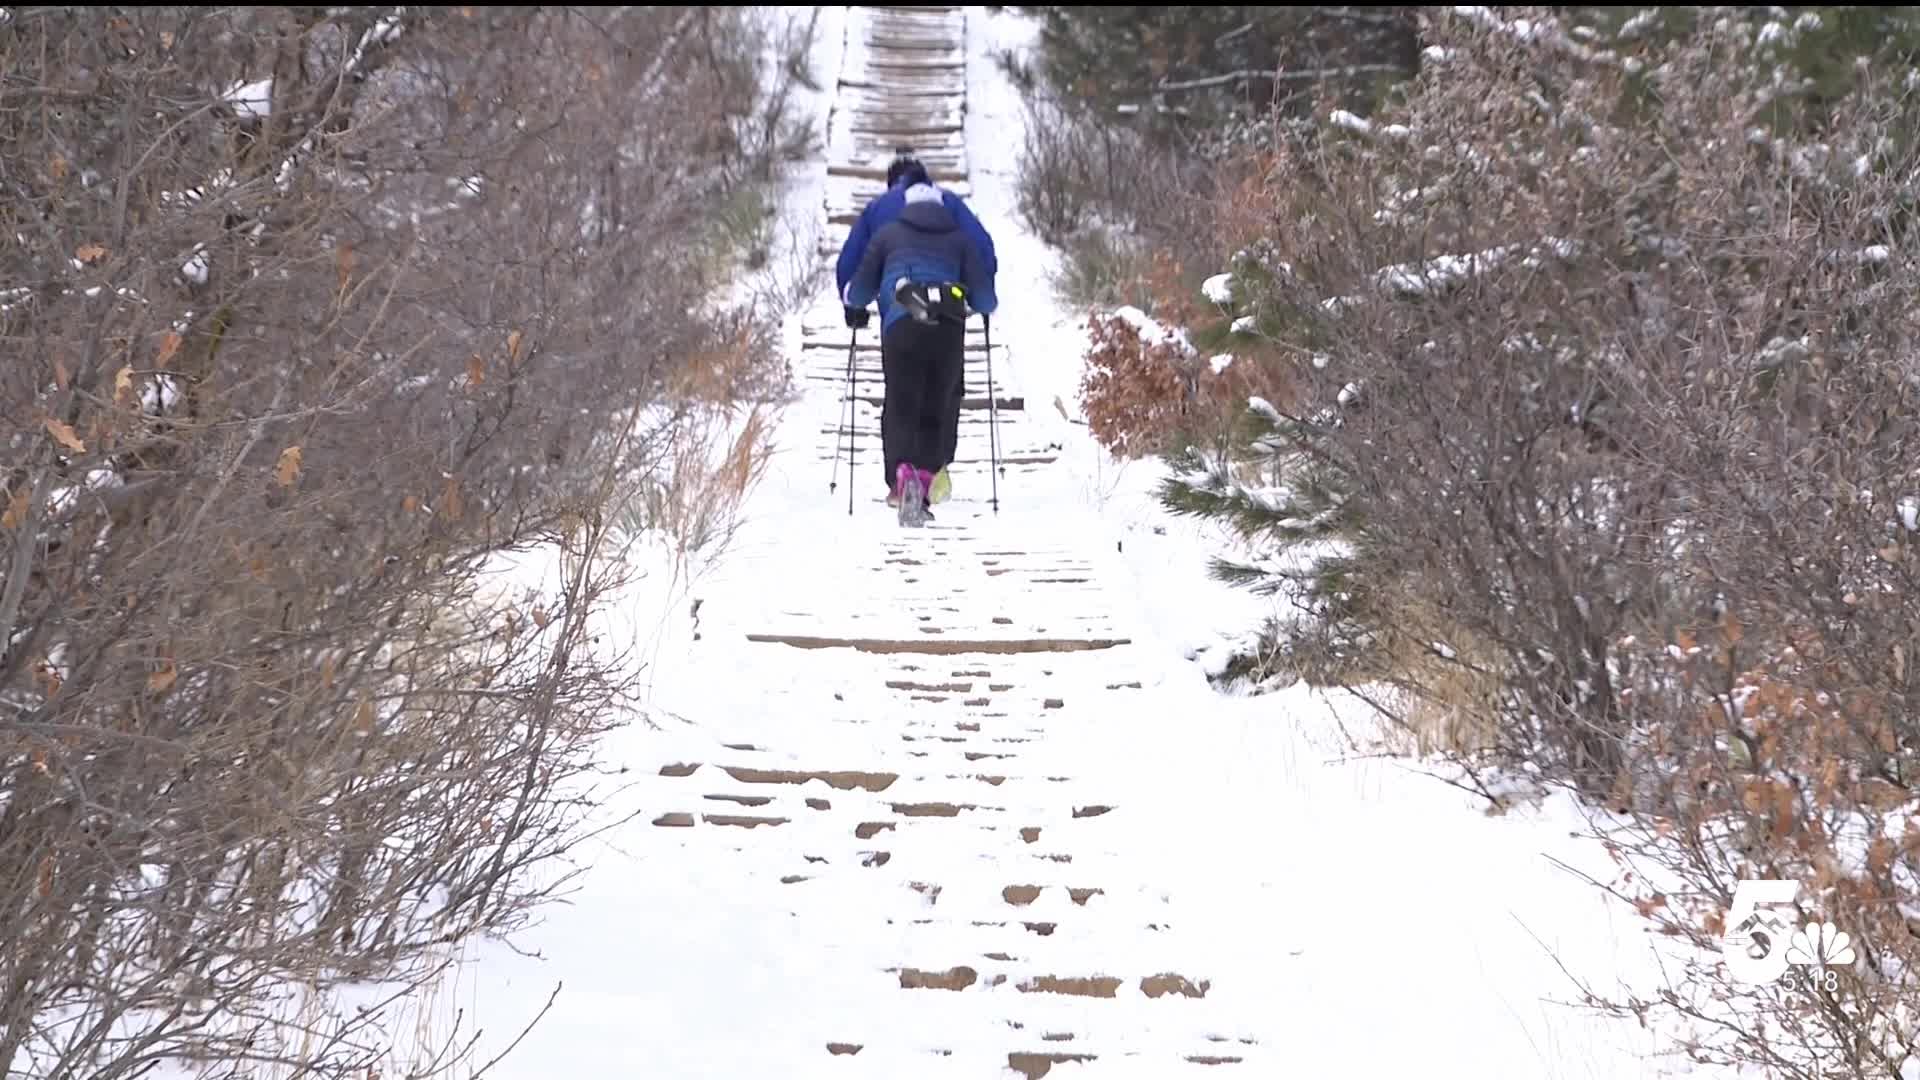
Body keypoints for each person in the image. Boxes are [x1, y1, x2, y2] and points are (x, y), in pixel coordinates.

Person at [837, 151, 998, 513]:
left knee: (900, 397)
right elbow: (984, 253)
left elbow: (851, 266)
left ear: (896, 185)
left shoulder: (882, 216)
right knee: (942, 398)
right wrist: (980, 292)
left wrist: (852, 305)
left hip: (901, 314)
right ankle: (928, 475)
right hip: (949, 318)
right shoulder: (953, 212)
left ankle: (901, 477)